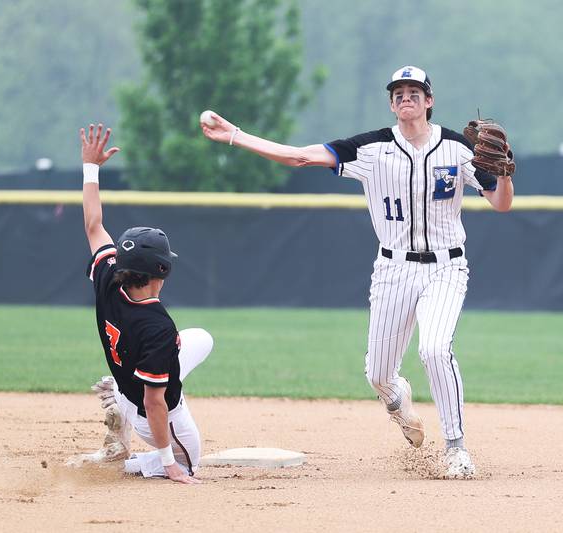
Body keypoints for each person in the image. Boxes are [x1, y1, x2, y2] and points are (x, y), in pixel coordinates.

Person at [200, 66, 514, 479]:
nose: (407, 97)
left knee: (434, 349)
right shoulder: (371, 148)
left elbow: (501, 203)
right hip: (393, 269)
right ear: (391, 102)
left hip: (447, 266)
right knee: (379, 373)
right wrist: (236, 136)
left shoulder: (458, 149)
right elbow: (299, 156)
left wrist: (505, 174)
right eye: (399, 92)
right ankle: (398, 400)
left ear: (429, 100)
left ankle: (456, 448)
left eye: (415, 91)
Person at [70, 123, 214, 484]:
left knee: (201, 338)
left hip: (128, 373)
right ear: (162, 271)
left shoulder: (107, 276)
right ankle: (127, 462)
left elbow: (92, 225)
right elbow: (154, 403)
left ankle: (117, 390)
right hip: (151, 414)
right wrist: (167, 462)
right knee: (189, 461)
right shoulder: (157, 326)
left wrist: (91, 167)